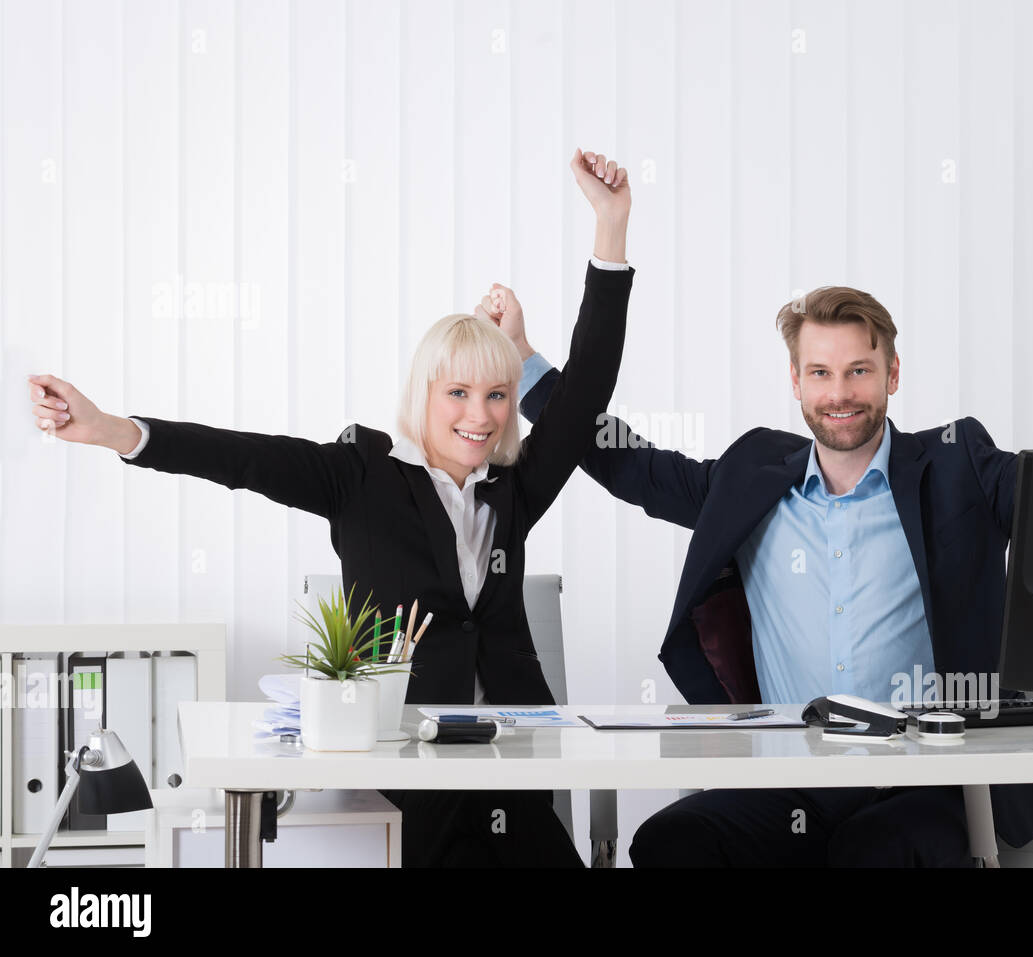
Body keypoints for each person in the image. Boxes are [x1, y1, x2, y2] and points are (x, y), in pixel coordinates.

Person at [501, 255, 1033, 866]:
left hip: (932, 778)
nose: (841, 394)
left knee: (873, 852)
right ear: (795, 382)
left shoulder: (956, 467)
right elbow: (632, 465)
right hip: (794, 775)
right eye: (821, 373)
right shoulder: (750, 474)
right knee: (672, 840)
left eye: (860, 370)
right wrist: (528, 364)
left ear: (892, 375)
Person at [26, 147, 634, 868]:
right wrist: (114, 431)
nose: (481, 415)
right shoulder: (360, 475)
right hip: (406, 772)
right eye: (459, 393)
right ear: (424, 395)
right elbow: (244, 457)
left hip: (512, 764)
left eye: (497, 395)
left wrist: (610, 225)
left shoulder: (514, 488)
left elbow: (587, 386)